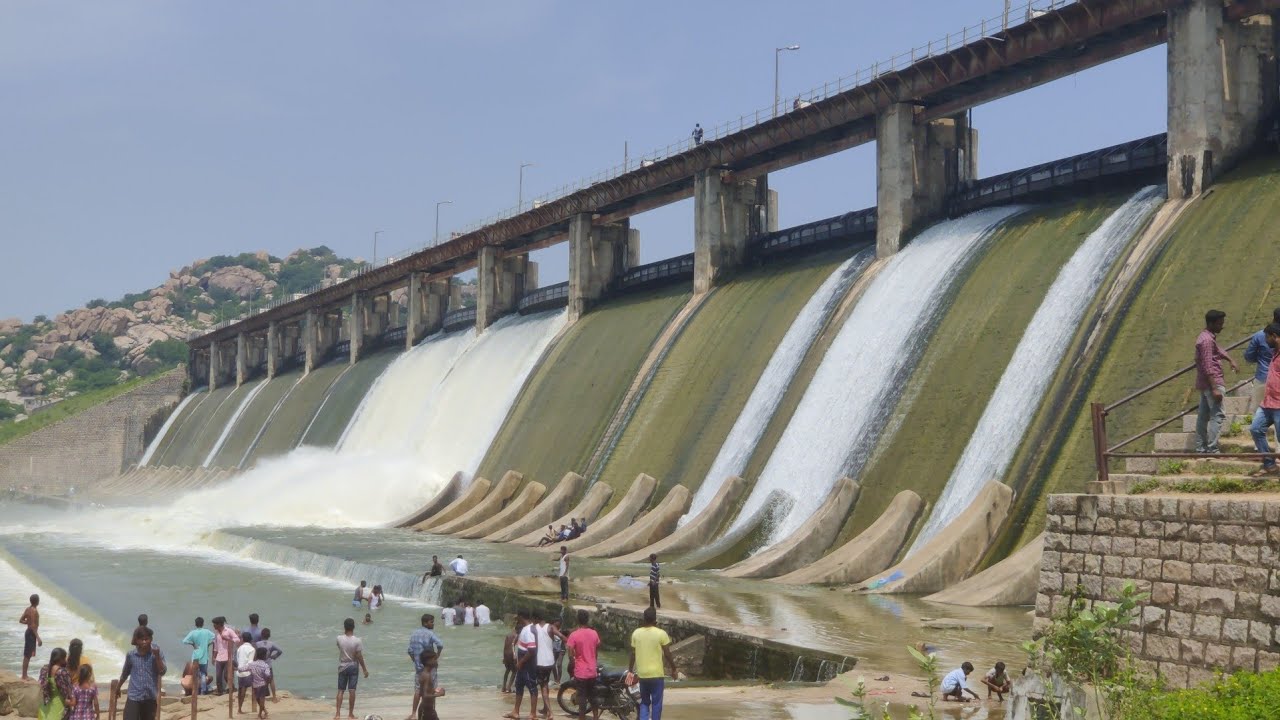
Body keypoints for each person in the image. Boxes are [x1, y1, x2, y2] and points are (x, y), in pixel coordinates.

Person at [1195, 309, 1239, 453]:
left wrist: (1230, 359)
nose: (1222, 326)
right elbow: (1208, 365)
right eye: (1220, 323)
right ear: (1211, 323)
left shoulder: (1206, 337)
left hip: (1204, 383)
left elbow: (1217, 350)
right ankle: (1212, 448)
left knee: (1203, 416)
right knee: (1218, 415)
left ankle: (1200, 448)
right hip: (1212, 383)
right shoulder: (1207, 341)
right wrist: (1214, 387)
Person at [629, 607, 676, 720]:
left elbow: (633, 654)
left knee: (644, 702)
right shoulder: (661, 634)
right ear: (655, 620)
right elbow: (667, 654)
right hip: (656, 675)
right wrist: (674, 669)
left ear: (644, 619)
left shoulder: (636, 633)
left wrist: (630, 670)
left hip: (642, 675)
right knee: (656, 704)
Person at [1250, 324, 1280, 476]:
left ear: (1273, 336)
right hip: (1268, 403)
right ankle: (1269, 463)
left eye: (1267, 337)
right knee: (1255, 429)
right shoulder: (1274, 353)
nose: (1265, 340)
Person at [119, 627, 166, 720]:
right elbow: (125, 673)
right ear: (137, 640)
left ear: (151, 639)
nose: (144, 642)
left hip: (149, 696)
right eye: (142, 639)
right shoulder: (131, 655)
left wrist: (157, 657)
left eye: (146, 639)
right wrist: (118, 687)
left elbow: (162, 671)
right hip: (134, 696)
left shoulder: (156, 653)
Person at [564, 610, 602, 720]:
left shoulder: (574, 635)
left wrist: (572, 661)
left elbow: (570, 652)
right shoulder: (594, 633)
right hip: (592, 670)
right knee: (593, 696)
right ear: (587, 620)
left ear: (577, 620)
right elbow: (597, 648)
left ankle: (582, 718)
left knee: (582, 698)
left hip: (581, 672)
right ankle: (595, 717)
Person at [408, 614, 444, 720]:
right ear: (425, 623)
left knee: (418, 690)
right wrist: (437, 655)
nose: (433, 624)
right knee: (431, 689)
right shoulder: (429, 633)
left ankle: (414, 713)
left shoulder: (414, 633)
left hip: (419, 666)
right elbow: (440, 644)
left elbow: (410, 650)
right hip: (429, 667)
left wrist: (415, 660)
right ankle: (431, 711)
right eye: (431, 622)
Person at [1245, 309, 1280, 414]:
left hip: (1263, 378)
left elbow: (1249, 357)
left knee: (1258, 412)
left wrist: (1261, 358)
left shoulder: (1261, 335)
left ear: (1274, 318)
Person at [335, 618, 369, 720]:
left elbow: (340, 648)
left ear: (344, 627)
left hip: (342, 666)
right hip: (353, 666)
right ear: (353, 627)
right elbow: (359, 656)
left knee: (340, 690)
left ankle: (337, 714)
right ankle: (350, 714)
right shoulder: (357, 640)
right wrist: (364, 669)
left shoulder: (339, 638)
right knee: (352, 690)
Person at [507, 610, 538, 719]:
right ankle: (516, 711)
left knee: (532, 687)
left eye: (517, 617)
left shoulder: (528, 630)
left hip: (527, 665)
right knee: (519, 685)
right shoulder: (525, 629)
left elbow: (532, 650)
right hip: (522, 665)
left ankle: (533, 713)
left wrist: (521, 662)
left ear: (521, 617)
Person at [532, 610, 563, 718]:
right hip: (550, 662)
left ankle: (550, 712)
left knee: (543, 687)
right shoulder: (550, 627)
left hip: (540, 662)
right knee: (545, 684)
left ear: (536, 618)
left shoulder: (534, 628)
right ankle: (545, 709)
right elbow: (562, 636)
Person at [182, 617, 215, 695]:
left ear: (195, 624)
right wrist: (208, 644)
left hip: (196, 656)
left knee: (195, 674)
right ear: (203, 623)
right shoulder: (206, 632)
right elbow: (215, 638)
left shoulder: (193, 632)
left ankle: (195, 691)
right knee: (203, 674)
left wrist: (193, 644)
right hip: (204, 656)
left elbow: (184, 641)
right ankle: (203, 691)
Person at [37, 647, 72, 720]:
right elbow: (68, 691)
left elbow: (41, 684)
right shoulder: (62, 672)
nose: (65, 660)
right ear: (60, 659)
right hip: (59, 708)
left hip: (46, 707)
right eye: (64, 658)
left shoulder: (45, 669)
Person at [254, 629, 283, 703]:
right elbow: (280, 651)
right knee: (271, 681)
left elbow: (254, 654)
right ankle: (274, 697)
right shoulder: (271, 644)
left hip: (259, 665)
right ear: (269, 636)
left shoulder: (257, 644)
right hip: (268, 665)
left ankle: (259, 697)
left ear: (261, 635)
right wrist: (274, 656)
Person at [211, 617, 239, 696]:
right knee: (218, 676)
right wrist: (214, 657)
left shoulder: (229, 631)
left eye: (215, 624)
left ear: (219, 624)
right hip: (219, 657)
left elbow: (237, 639)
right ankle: (220, 691)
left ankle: (232, 688)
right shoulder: (217, 634)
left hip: (228, 657)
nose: (213, 626)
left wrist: (227, 639)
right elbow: (216, 647)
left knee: (226, 676)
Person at [415, 650, 445, 720]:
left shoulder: (425, 674)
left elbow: (423, 691)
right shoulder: (427, 676)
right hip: (426, 711)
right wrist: (439, 694)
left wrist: (433, 690)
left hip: (428, 709)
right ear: (428, 661)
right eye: (435, 659)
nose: (437, 661)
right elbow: (425, 695)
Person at [245, 647, 272, 719]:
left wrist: (236, 668)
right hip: (263, 684)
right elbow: (268, 674)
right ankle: (261, 713)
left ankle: (262, 712)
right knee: (262, 699)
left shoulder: (252, 664)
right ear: (264, 656)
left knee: (257, 698)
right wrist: (268, 681)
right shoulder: (265, 665)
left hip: (255, 684)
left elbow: (243, 669)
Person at [19, 593, 41, 680]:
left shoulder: (28, 609)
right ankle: (24, 676)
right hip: (31, 633)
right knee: (27, 655)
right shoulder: (34, 611)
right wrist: (38, 638)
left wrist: (27, 623)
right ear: (37, 601)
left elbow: (21, 620)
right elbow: (33, 626)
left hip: (28, 632)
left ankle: (24, 674)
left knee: (27, 654)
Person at [235, 631, 256, 714]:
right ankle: (241, 709)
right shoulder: (252, 649)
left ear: (243, 639)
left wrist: (240, 668)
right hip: (247, 672)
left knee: (240, 690)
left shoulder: (239, 648)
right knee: (248, 690)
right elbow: (250, 662)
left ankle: (239, 708)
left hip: (239, 671)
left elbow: (237, 659)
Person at [502, 618, 519, 694]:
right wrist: (515, 656)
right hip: (512, 654)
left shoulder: (508, 635)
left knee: (507, 670)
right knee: (515, 671)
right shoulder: (516, 635)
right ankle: (509, 688)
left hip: (506, 654)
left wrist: (504, 657)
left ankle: (503, 687)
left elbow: (505, 646)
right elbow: (514, 647)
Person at [550, 619, 565, 685]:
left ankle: (558, 680)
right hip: (554, 649)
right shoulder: (551, 630)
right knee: (552, 665)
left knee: (559, 664)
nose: (555, 624)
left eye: (557, 622)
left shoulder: (563, 631)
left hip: (561, 649)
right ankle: (556, 679)